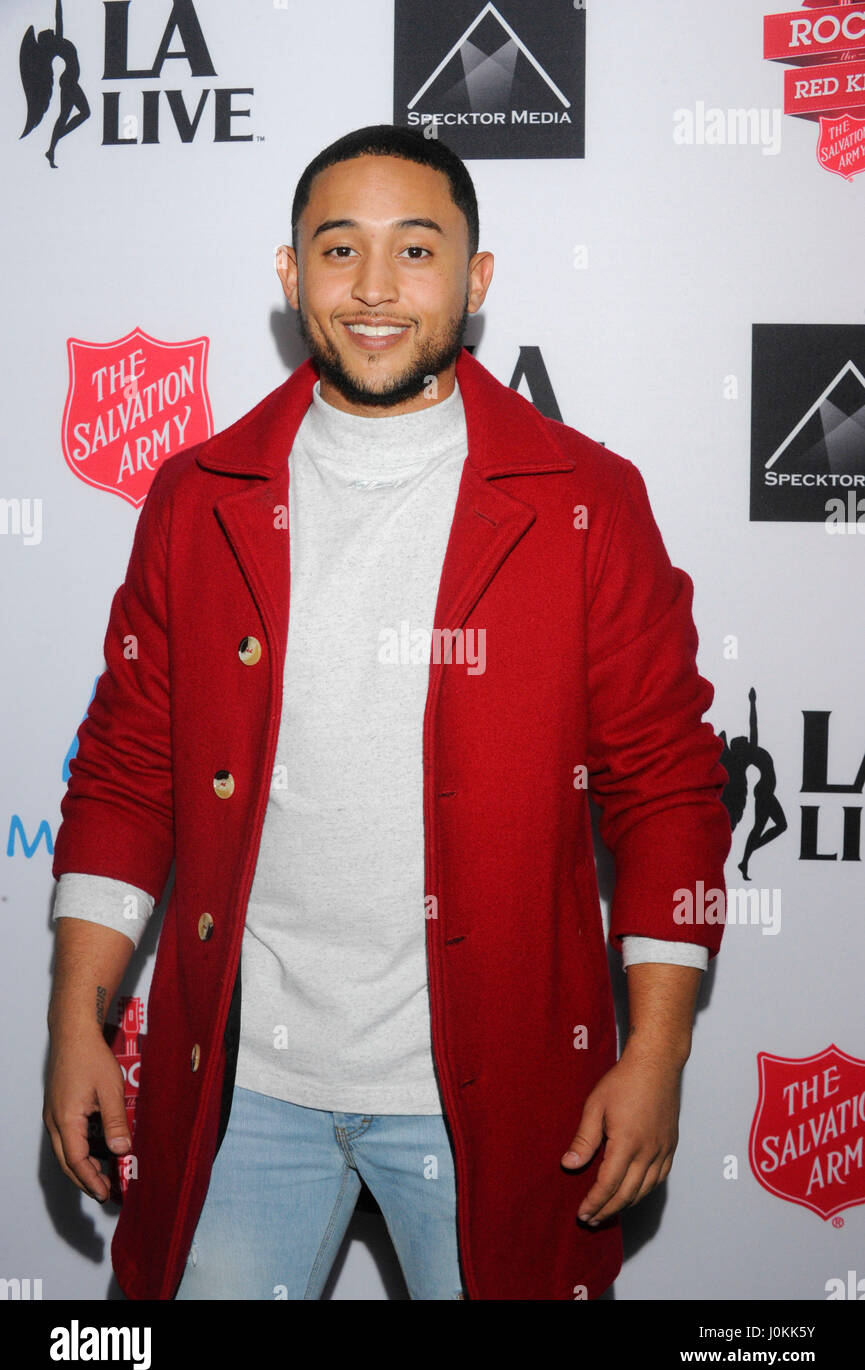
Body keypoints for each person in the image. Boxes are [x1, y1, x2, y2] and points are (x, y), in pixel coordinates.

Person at [44, 124, 731, 1301]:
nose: (372, 289)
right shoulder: (196, 497)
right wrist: (76, 1021)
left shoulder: (587, 502)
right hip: (239, 1089)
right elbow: (125, 772)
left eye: (415, 251)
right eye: (337, 250)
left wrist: (656, 1049)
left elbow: (667, 788)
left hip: (502, 1101)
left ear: (476, 280)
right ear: (288, 274)